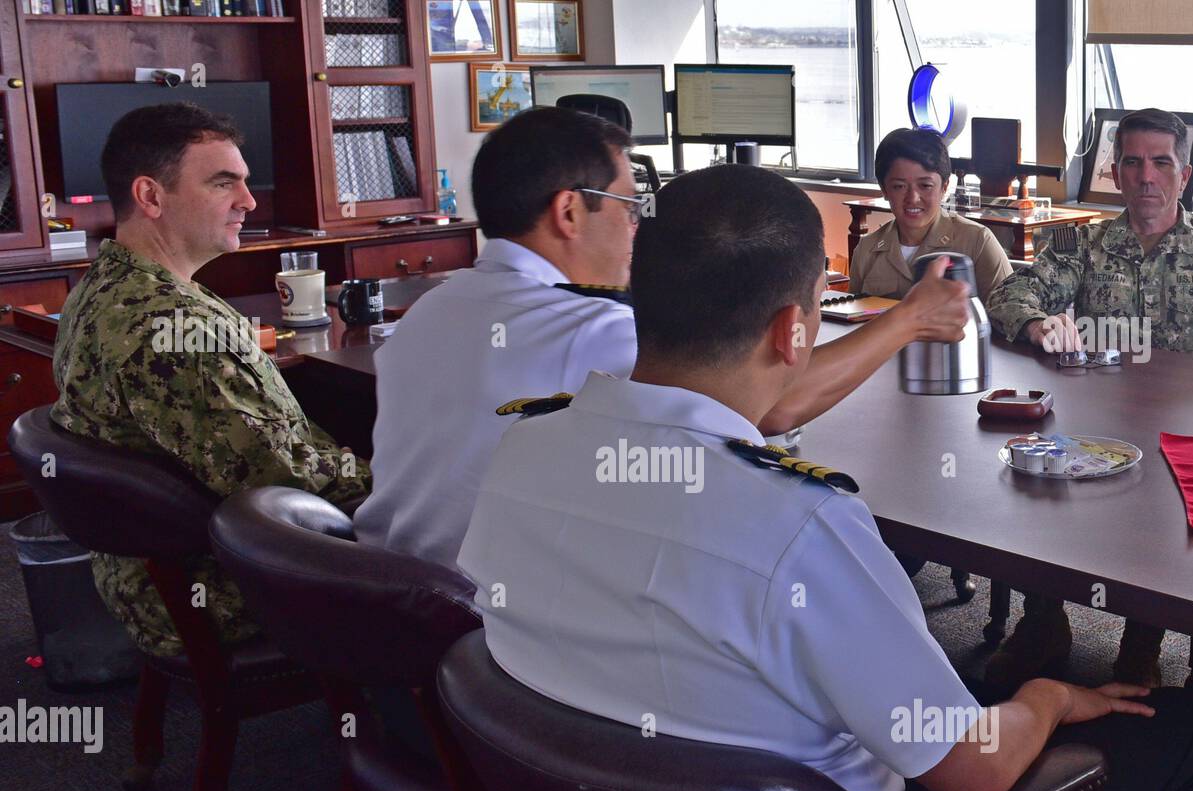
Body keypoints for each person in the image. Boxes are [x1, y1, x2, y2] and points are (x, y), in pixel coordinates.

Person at [457, 163, 1193, 791]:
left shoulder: (522, 449)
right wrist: (1049, 697)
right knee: (1190, 731)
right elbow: (977, 774)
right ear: (796, 331)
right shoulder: (795, 521)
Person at [353, 105, 971, 569]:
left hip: (389, 611)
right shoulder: (590, 330)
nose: (636, 225)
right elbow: (771, 402)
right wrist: (911, 318)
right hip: (497, 631)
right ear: (569, 212)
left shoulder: (431, 311)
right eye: (627, 205)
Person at [984, 108, 1193, 691]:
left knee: (1160, 517)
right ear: (1116, 171)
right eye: (1133, 162)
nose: (1146, 177)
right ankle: (1044, 625)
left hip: (1191, 425)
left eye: (1161, 163)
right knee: (1028, 483)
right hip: (1095, 416)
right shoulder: (1080, 243)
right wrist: (1037, 325)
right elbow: (1012, 289)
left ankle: (1140, 644)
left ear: (1184, 174)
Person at [51, 103, 368, 659]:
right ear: (151, 196)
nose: (248, 201)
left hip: (144, 571)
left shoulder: (105, 282)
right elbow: (286, 490)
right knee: (459, 548)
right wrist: (397, 485)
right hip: (210, 587)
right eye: (225, 183)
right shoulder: (171, 330)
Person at [850, 127, 1012, 304]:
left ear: (944, 187)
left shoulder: (978, 242)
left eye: (925, 186)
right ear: (884, 190)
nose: (913, 198)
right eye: (899, 186)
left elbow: (1007, 318)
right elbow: (854, 322)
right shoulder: (867, 250)